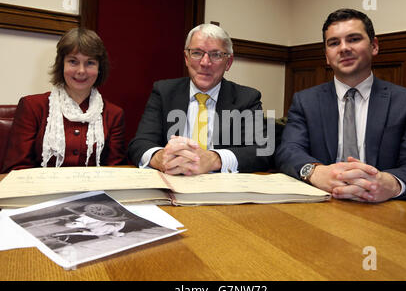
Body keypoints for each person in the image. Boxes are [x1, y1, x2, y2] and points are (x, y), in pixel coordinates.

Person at [276, 8, 406, 203]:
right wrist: (316, 172)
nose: (343, 48)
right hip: (323, 205)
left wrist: (390, 183)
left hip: (382, 209)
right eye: (334, 43)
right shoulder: (305, 101)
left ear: (374, 46)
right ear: (327, 56)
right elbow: (288, 151)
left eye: (353, 39)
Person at [128, 23, 271, 175]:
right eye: (197, 53)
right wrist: (160, 158)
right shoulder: (164, 92)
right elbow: (139, 143)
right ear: (186, 58)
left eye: (216, 55)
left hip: (222, 191)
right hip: (172, 185)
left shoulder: (247, 98)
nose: (205, 63)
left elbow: (262, 152)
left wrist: (214, 159)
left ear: (228, 62)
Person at [2, 28, 126, 173]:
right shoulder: (32, 107)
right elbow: (16, 170)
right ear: (61, 64)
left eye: (90, 63)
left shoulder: (114, 114)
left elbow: (116, 172)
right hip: (41, 193)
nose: (81, 70)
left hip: (94, 194)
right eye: (73, 61)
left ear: (100, 68)